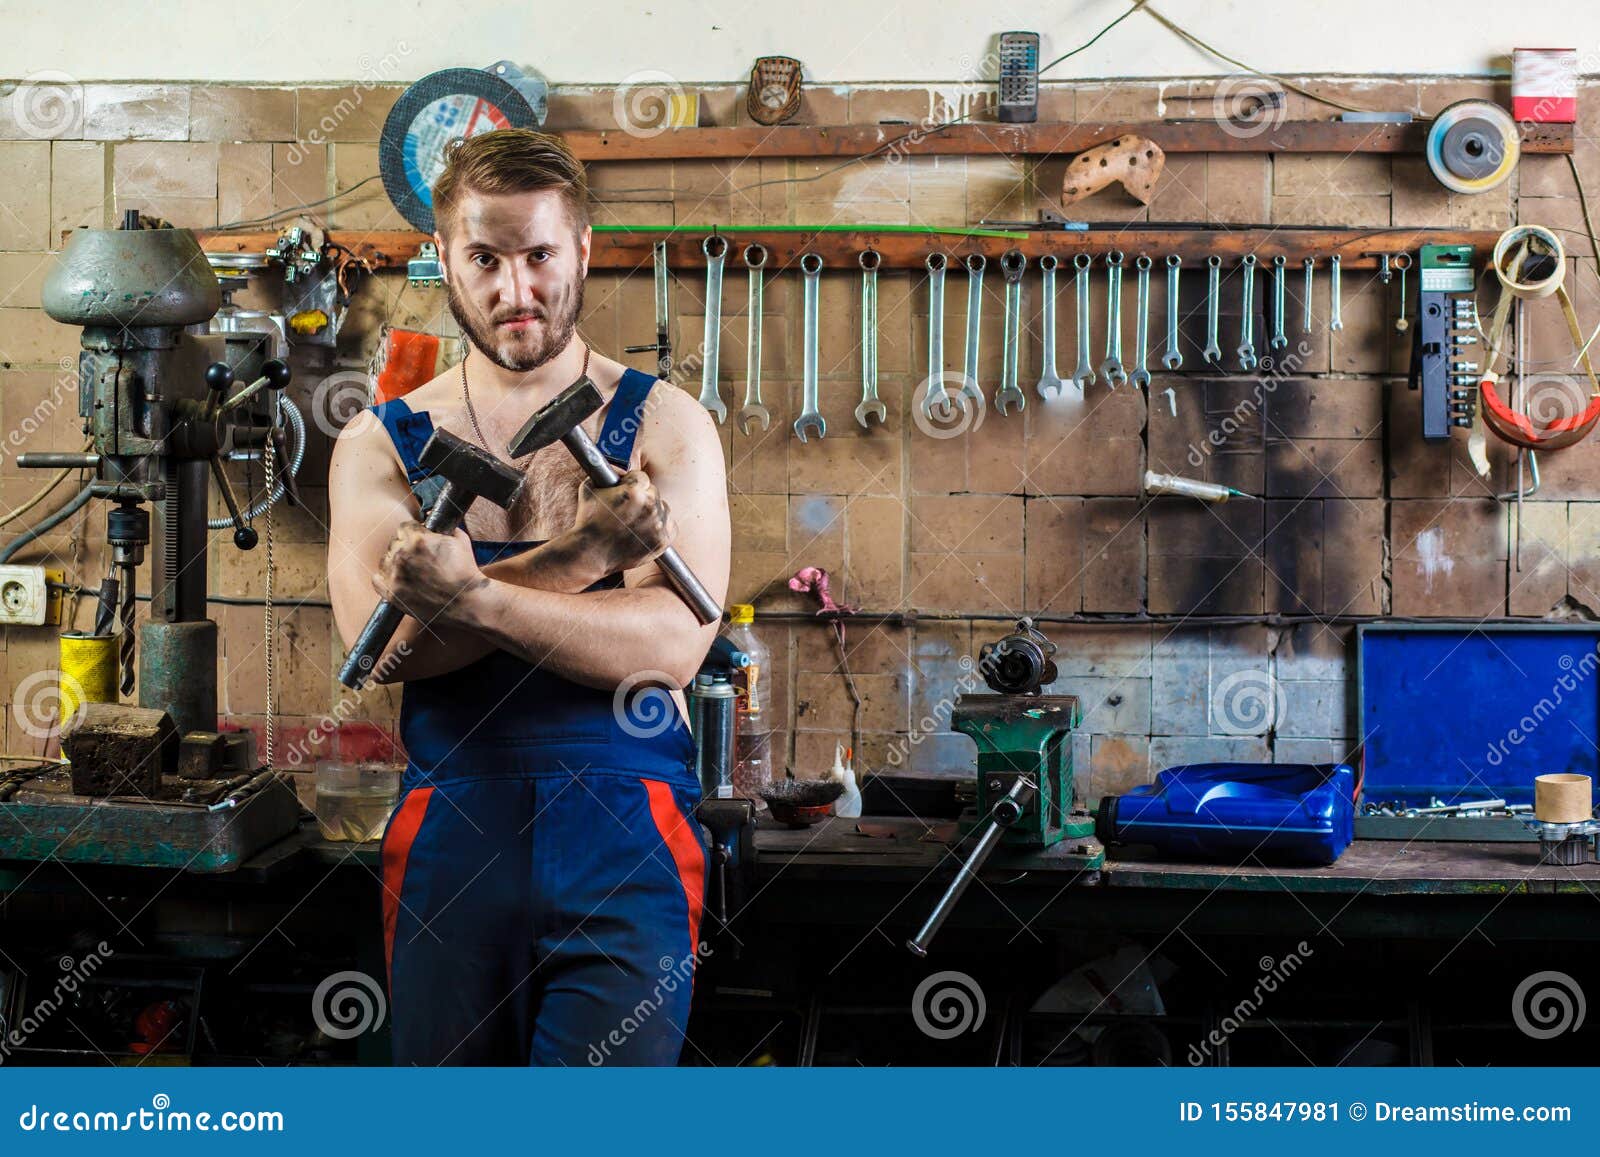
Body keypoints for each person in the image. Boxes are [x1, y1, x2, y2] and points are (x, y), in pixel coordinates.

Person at [326, 128, 730, 1065]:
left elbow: (670, 648)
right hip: (452, 841)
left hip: (627, 838)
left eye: (540, 255)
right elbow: (380, 649)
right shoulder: (381, 442)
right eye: (485, 259)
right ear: (443, 259)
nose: (516, 291)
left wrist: (465, 595)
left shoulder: (666, 423)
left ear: (582, 249)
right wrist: (587, 555)